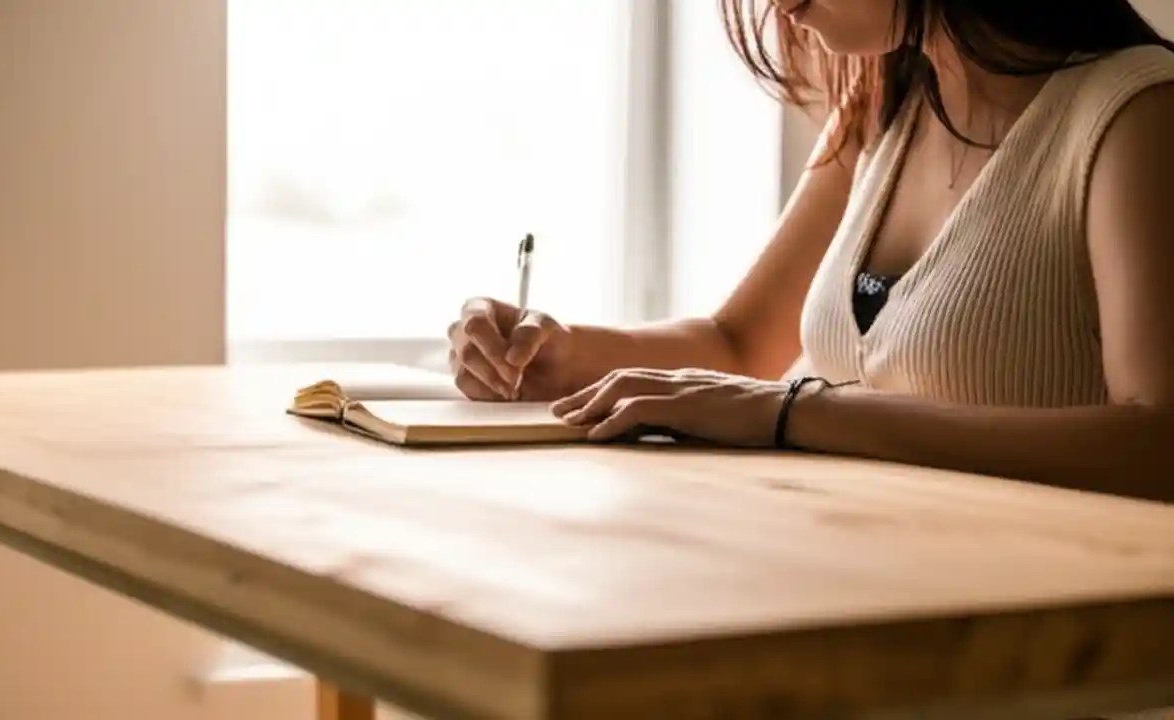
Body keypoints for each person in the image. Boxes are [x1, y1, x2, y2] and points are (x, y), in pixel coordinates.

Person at [446, 0, 1174, 504]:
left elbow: (1158, 441)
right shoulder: (882, 110)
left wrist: (796, 414)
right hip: (865, 612)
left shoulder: (1136, 111)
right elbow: (737, 345)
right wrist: (562, 354)